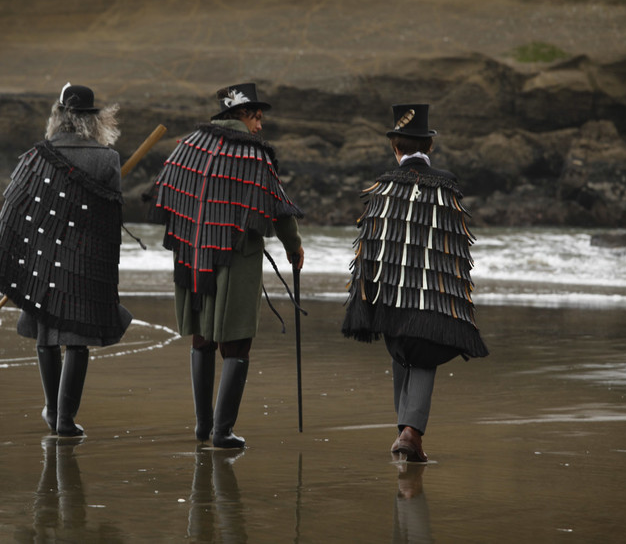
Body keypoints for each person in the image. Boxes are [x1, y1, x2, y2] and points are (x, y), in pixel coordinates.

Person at [148, 82, 305, 448]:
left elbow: (165, 193)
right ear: (242, 115)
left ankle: (204, 428)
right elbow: (278, 209)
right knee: (235, 344)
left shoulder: (188, 147)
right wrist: (293, 247)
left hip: (192, 255)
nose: (260, 126)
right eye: (258, 117)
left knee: (202, 338)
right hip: (235, 257)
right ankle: (222, 432)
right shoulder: (255, 155)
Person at [0, 83, 132, 437]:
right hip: (85, 262)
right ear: (93, 120)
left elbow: (15, 211)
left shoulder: (36, 156)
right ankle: (65, 419)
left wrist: (17, 260)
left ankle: (53, 412)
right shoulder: (107, 159)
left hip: (43, 260)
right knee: (76, 339)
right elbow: (110, 223)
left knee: (46, 335)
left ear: (59, 116)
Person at [341, 103, 488, 462]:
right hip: (433, 297)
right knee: (424, 353)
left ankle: (406, 433)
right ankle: (410, 433)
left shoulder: (381, 189)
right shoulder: (447, 187)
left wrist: (366, 303)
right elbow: (457, 250)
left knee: (402, 354)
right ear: (430, 147)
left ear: (395, 146)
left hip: (389, 296)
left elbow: (368, 249)